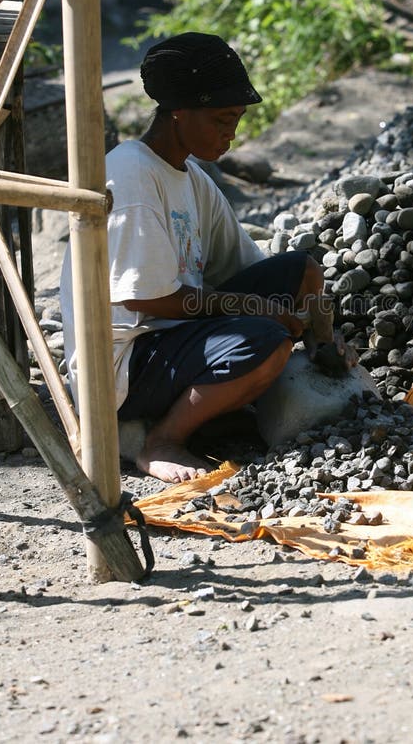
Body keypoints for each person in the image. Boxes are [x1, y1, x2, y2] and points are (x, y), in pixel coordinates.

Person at [60, 32, 328, 484]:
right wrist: (247, 308)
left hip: (175, 337)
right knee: (265, 342)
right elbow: (148, 299)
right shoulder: (131, 175)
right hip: (125, 364)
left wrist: (322, 334)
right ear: (177, 111)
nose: (231, 133)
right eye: (222, 119)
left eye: (237, 119)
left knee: (302, 269)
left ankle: (267, 379)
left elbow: (245, 267)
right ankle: (161, 441)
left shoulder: (193, 178)